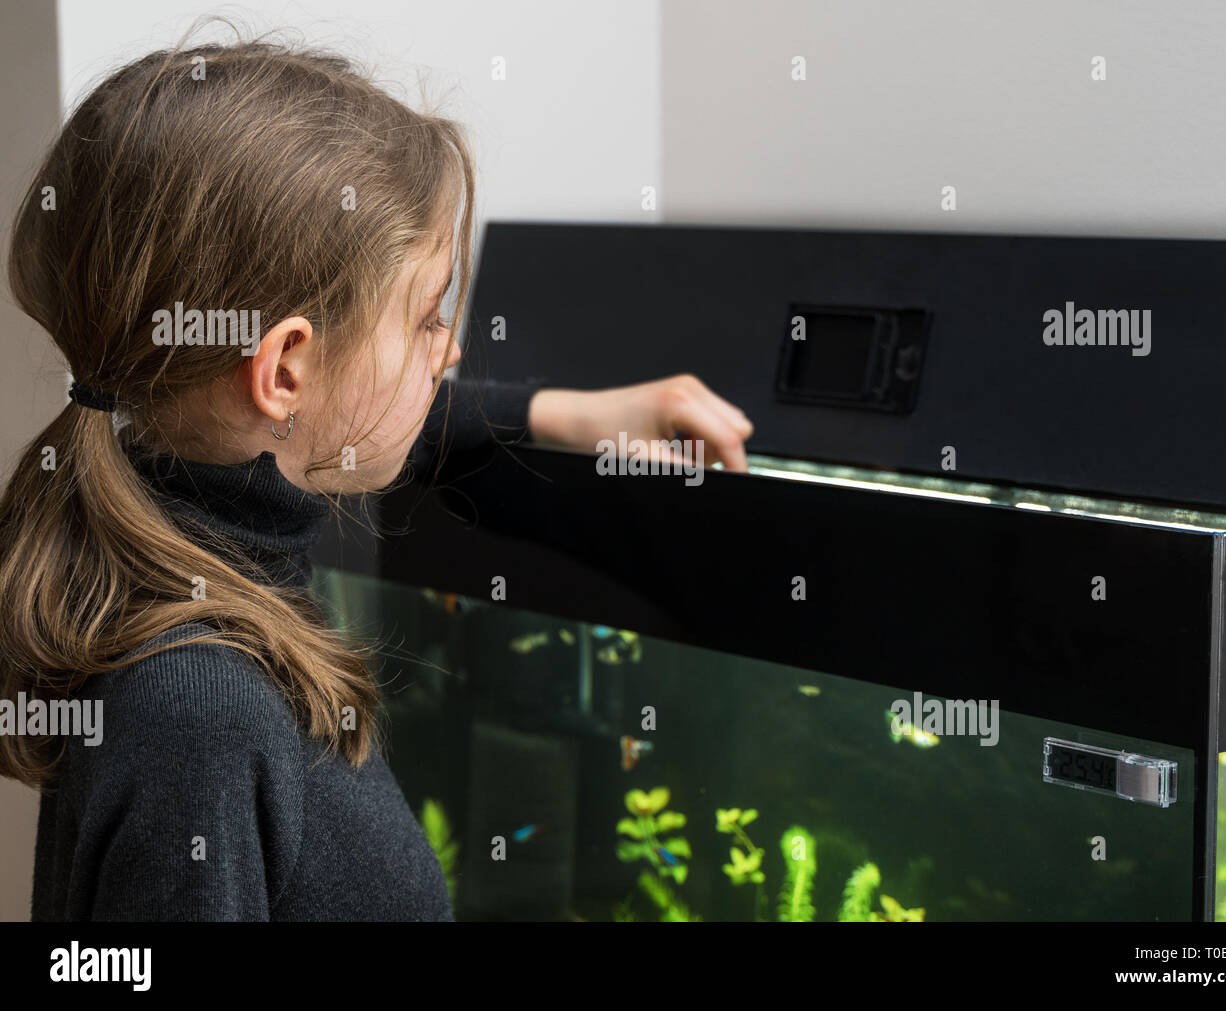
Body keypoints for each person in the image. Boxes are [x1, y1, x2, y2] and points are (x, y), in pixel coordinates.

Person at [0, 38, 751, 921]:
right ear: (283, 368)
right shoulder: (200, 712)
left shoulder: (169, 498)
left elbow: (363, 415)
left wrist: (563, 413)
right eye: (429, 318)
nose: (451, 350)